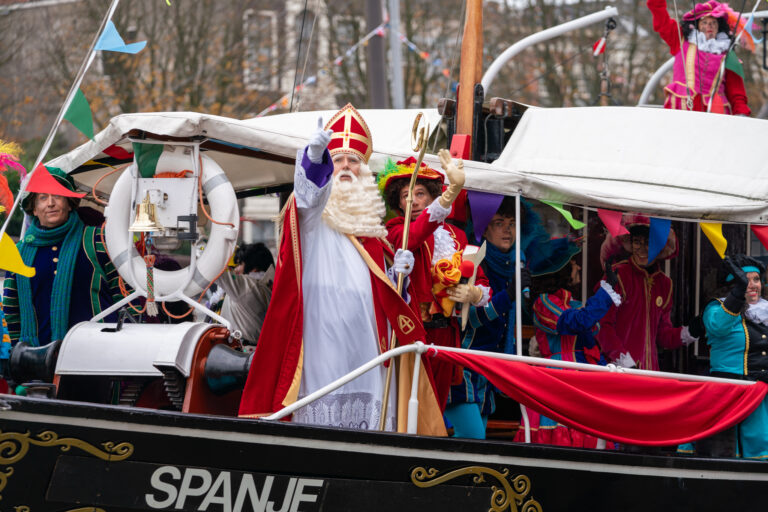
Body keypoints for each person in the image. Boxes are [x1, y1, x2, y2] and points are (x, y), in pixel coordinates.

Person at [238, 104, 428, 432]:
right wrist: (314, 160)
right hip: (321, 330)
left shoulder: (374, 232)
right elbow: (309, 196)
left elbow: (392, 300)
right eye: (337, 159)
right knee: (324, 398)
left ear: (365, 170)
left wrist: (400, 276)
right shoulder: (316, 215)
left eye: (353, 160)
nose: (345, 166)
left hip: (367, 339)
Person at [379, 153, 490, 411]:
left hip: (447, 333)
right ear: (399, 202)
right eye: (407, 195)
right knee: (410, 403)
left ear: (430, 195)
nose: (414, 201)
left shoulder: (457, 235)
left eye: (420, 194)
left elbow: (481, 278)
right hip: (412, 330)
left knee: (436, 405)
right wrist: (451, 194)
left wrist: (474, 293)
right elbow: (413, 237)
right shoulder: (396, 228)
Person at [2, 167, 121, 348]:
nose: (50, 203)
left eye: (57, 196)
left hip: (99, 355)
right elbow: (11, 311)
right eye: (42, 198)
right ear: (33, 209)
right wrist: (19, 355)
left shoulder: (97, 239)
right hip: (39, 363)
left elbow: (123, 292)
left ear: (70, 203)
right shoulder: (18, 253)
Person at [441, 197, 529, 439]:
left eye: (512, 223)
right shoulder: (468, 262)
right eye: (499, 222)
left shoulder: (514, 264)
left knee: (474, 444)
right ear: (484, 228)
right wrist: (509, 295)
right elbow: (471, 319)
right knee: (473, 440)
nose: (507, 230)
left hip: (487, 371)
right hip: (463, 367)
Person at [513, 256, 621, 448]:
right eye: (572, 263)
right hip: (557, 379)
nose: (578, 266)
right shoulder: (543, 303)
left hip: (582, 379)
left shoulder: (572, 303)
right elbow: (578, 322)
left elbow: (588, 332)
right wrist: (606, 291)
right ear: (560, 269)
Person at [597, 215, 697, 370]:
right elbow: (602, 325)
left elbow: (663, 335)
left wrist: (690, 331)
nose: (642, 248)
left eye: (648, 243)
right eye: (637, 242)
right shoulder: (617, 275)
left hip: (650, 372)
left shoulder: (665, 284)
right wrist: (623, 360)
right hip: (618, 371)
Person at [697, 255, 768, 459]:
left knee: (760, 451)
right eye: (746, 280)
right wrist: (737, 295)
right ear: (733, 283)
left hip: (758, 395)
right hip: (728, 393)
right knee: (727, 453)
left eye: (756, 279)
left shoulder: (765, 312)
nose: (753, 284)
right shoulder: (716, 307)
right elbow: (718, 327)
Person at [647, 0, 750, 115]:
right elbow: (661, 18)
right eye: (704, 22)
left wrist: (741, 114)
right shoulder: (681, 40)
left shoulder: (727, 54)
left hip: (716, 113)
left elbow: (736, 91)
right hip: (681, 108)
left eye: (713, 23)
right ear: (697, 26)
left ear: (719, 27)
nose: (709, 26)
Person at [216, 242, 274, 345]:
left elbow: (215, 270)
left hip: (243, 352)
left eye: (240, 264)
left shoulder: (248, 287)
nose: (236, 269)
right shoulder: (268, 286)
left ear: (254, 268)